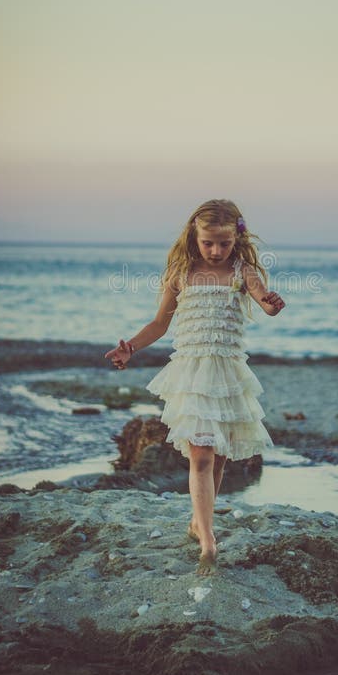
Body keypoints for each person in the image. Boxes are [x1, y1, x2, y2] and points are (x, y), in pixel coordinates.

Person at [104, 199, 285, 574]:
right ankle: (208, 542)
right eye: (208, 243)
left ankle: (198, 523)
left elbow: (264, 302)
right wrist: (130, 348)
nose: (216, 251)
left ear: (236, 238)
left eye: (224, 243)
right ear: (194, 237)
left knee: (217, 458)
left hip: (228, 375)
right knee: (201, 456)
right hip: (191, 374)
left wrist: (272, 305)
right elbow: (159, 324)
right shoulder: (181, 273)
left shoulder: (243, 271)